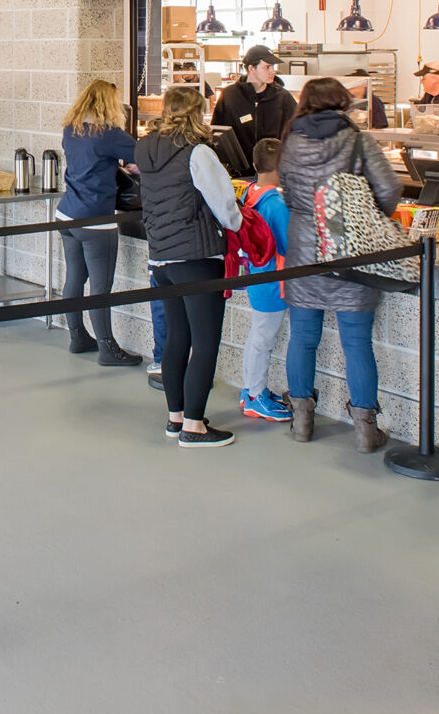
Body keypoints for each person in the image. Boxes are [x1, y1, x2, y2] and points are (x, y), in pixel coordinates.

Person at [279, 77, 401, 451]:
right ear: (343, 103)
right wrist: (365, 216)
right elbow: (390, 189)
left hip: (303, 248)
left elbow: (287, 191)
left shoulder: (291, 141)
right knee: (357, 341)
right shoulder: (357, 140)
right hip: (349, 248)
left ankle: (301, 420)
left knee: (302, 337)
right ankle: (365, 430)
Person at [136, 84, 243, 447]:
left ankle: (176, 416)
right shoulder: (198, 152)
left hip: (161, 255)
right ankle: (195, 426)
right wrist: (239, 225)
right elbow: (224, 206)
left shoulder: (146, 148)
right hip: (196, 256)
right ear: (197, 113)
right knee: (206, 340)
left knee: (177, 338)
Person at [55, 78, 143, 366]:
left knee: (74, 279)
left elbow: (91, 162)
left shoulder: (72, 128)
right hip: (95, 219)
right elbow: (143, 158)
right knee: (100, 287)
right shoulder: (108, 133)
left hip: (67, 214)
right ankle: (108, 348)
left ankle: (78, 336)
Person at [237, 138, 292, 422]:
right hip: (275, 281)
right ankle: (256, 395)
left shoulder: (249, 194)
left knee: (256, 336)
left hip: (257, 275)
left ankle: (251, 389)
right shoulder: (277, 205)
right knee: (264, 339)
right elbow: (288, 244)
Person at [211, 44, 297, 152]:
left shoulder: (283, 97)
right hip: (240, 166)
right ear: (251, 68)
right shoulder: (230, 95)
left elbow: (295, 132)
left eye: (273, 67)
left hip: (274, 166)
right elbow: (217, 133)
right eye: (267, 67)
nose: (273, 71)